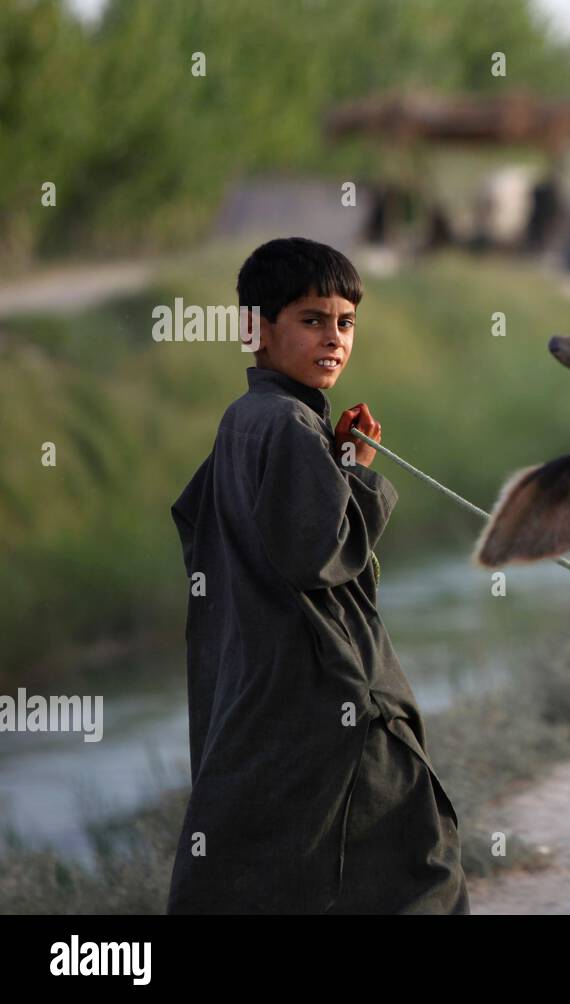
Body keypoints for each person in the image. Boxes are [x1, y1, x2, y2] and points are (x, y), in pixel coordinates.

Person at [167, 236, 468, 914]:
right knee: (424, 869)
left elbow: (217, 533)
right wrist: (353, 474)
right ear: (255, 330)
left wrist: (341, 463)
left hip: (268, 702)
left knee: (274, 877)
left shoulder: (244, 420)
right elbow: (317, 555)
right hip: (340, 699)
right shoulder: (290, 427)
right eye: (312, 320)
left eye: (346, 322)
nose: (334, 339)